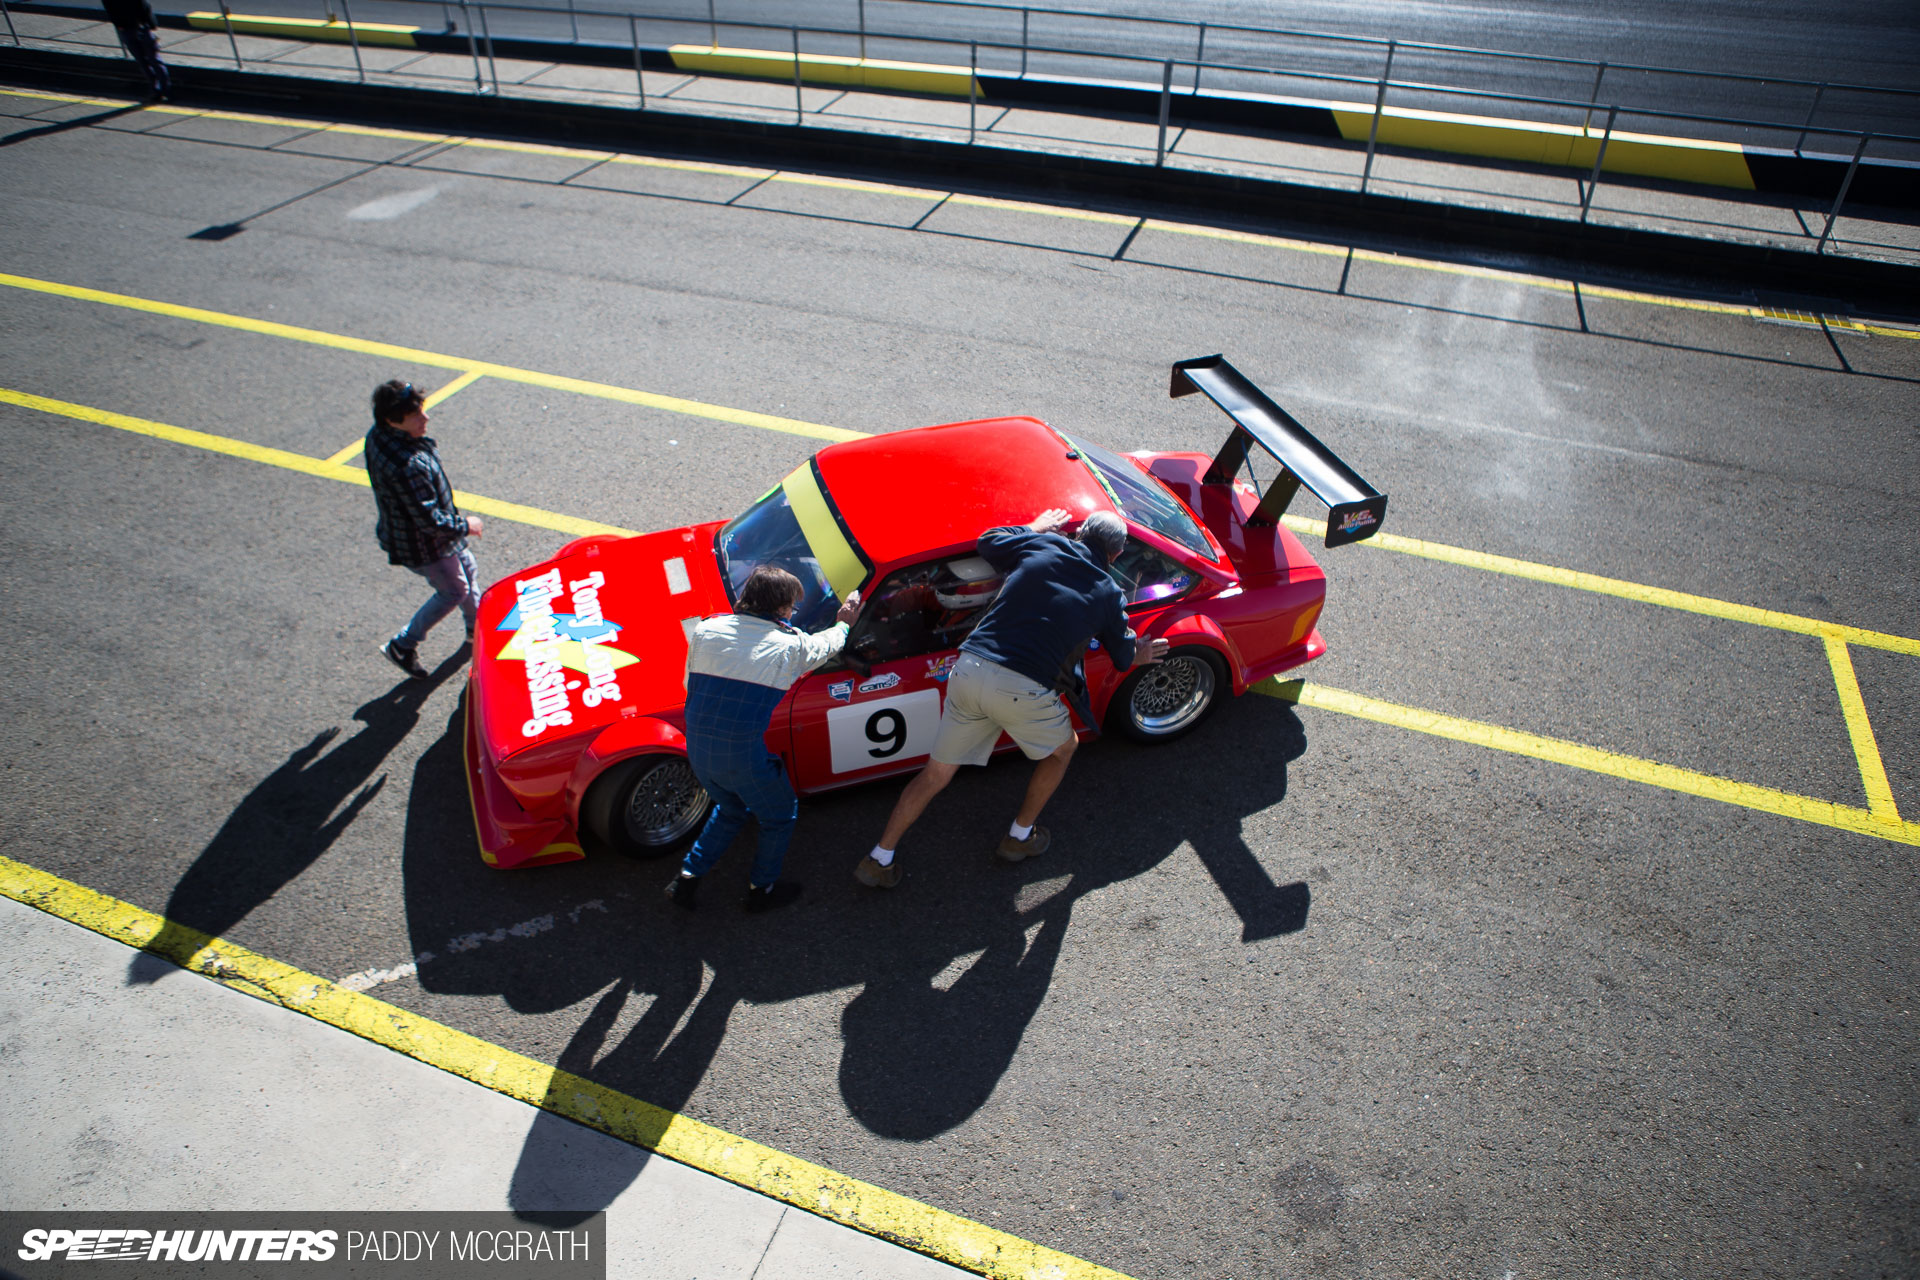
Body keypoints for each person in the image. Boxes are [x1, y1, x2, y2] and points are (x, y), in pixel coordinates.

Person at [855, 508, 1166, 889]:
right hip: (1024, 688)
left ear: (1080, 532)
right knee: (1062, 750)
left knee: (936, 774)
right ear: (1116, 555)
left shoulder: (1045, 544)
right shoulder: (1107, 592)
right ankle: (1019, 837)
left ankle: (879, 857)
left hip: (969, 669)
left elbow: (989, 542)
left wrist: (1034, 527)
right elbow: (1122, 657)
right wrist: (1143, 654)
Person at [668, 566, 862, 914]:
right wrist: (845, 621)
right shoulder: (789, 647)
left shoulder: (707, 629)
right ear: (782, 609)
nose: (793, 613)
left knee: (730, 809)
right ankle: (762, 890)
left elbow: (688, 688)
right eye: (792, 607)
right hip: (743, 758)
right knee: (779, 816)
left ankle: (687, 878)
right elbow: (828, 644)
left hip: (697, 749)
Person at [365, 379, 481, 680]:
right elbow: (430, 521)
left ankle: (477, 629)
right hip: (426, 545)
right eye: (415, 415)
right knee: (454, 590)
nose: (425, 418)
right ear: (393, 420)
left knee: (467, 569)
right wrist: (465, 525)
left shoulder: (378, 436)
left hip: (418, 536)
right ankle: (403, 645)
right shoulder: (408, 465)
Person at [100, 0, 169, 99]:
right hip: (137, 27)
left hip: (129, 28)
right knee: (152, 61)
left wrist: (119, 25)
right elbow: (145, 7)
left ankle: (158, 90)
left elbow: (110, 10)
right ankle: (162, 91)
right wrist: (151, 24)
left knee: (146, 61)